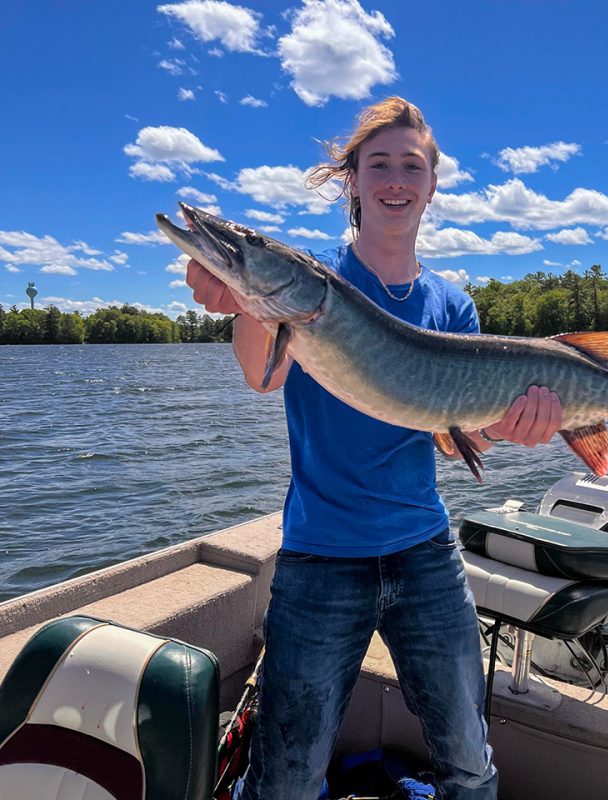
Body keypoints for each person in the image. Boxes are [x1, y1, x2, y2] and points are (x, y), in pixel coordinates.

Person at [187, 97, 563, 800]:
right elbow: (262, 376)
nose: (395, 179)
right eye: (378, 163)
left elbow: (455, 442)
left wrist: (512, 428)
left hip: (424, 552)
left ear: (431, 183)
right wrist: (242, 296)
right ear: (351, 180)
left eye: (410, 166)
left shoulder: (451, 305)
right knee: (288, 780)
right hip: (320, 558)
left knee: (471, 766)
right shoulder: (310, 283)